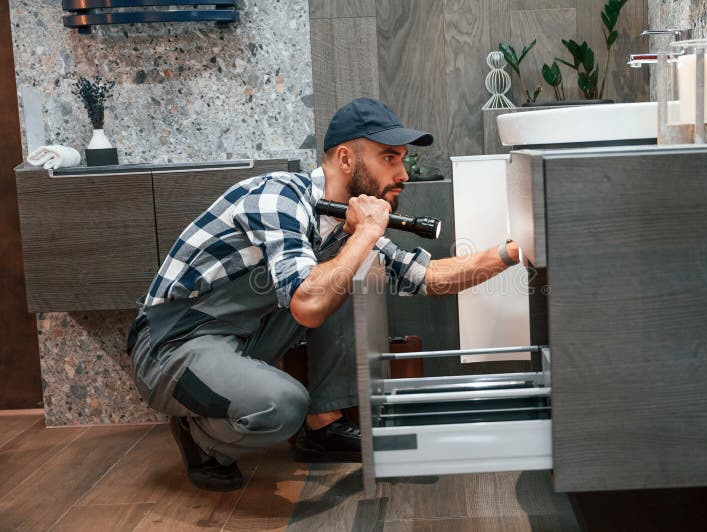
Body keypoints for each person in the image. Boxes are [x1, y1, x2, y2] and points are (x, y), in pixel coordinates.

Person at [126, 97, 522, 491]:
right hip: (173, 343)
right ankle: (201, 438)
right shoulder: (277, 197)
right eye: (389, 158)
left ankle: (324, 427)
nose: (402, 173)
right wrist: (366, 235)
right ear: (347, 159)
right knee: (284, 404)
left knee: (350, 267)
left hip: (242, 340)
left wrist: (510, 252)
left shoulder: (342, 222)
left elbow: (426, 276)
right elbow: (309, 306)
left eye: (402, 159)